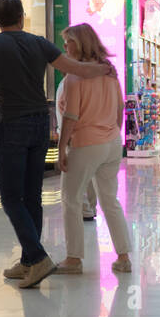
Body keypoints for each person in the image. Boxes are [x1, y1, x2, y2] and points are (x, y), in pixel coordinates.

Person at [0, 0, 113, 289]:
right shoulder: (39, 43)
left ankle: (38, 257)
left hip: (12, 125)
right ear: (22, 17)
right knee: (31, 196)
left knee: (11, 198)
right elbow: (75, 68)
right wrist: (103, 69)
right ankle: (29, 260)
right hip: (41, 123)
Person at [56, 23, 132, 275]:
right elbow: (120, 109)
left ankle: (74, 258)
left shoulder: (74, 77)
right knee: (110, 200)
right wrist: (113, 133)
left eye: (68, 42)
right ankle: (123, 256)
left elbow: (71, 116)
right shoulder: (110, 73)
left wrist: (61, 149)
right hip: (111, 143)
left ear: (79, 44)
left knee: (71, 198)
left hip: (86, 143)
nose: (65, 47)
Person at [55, 72, 98, 219]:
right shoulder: (79, 83)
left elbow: (67, 114)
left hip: (73, 137)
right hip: (85, 135)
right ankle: (90, 207)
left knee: (77, 176)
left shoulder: (68, 84)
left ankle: (86, 209)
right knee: (88, 174)